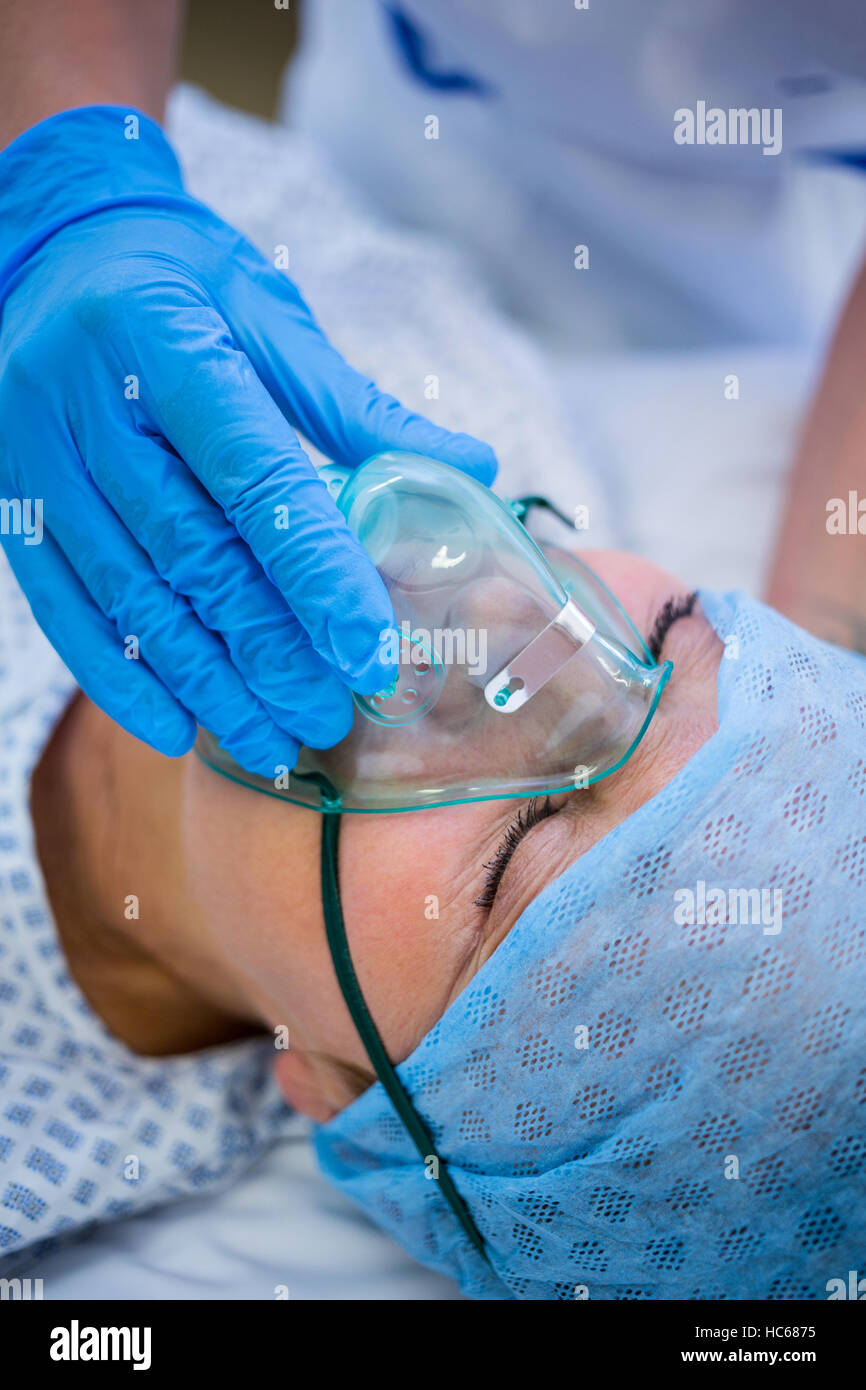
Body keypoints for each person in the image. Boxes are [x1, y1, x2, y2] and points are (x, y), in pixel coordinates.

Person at [2, 534, 865, 1298]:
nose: (501, 607)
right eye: (671, 633)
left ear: (344, 1087)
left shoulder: (32, 1155)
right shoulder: (457, 403)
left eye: (520, 852)